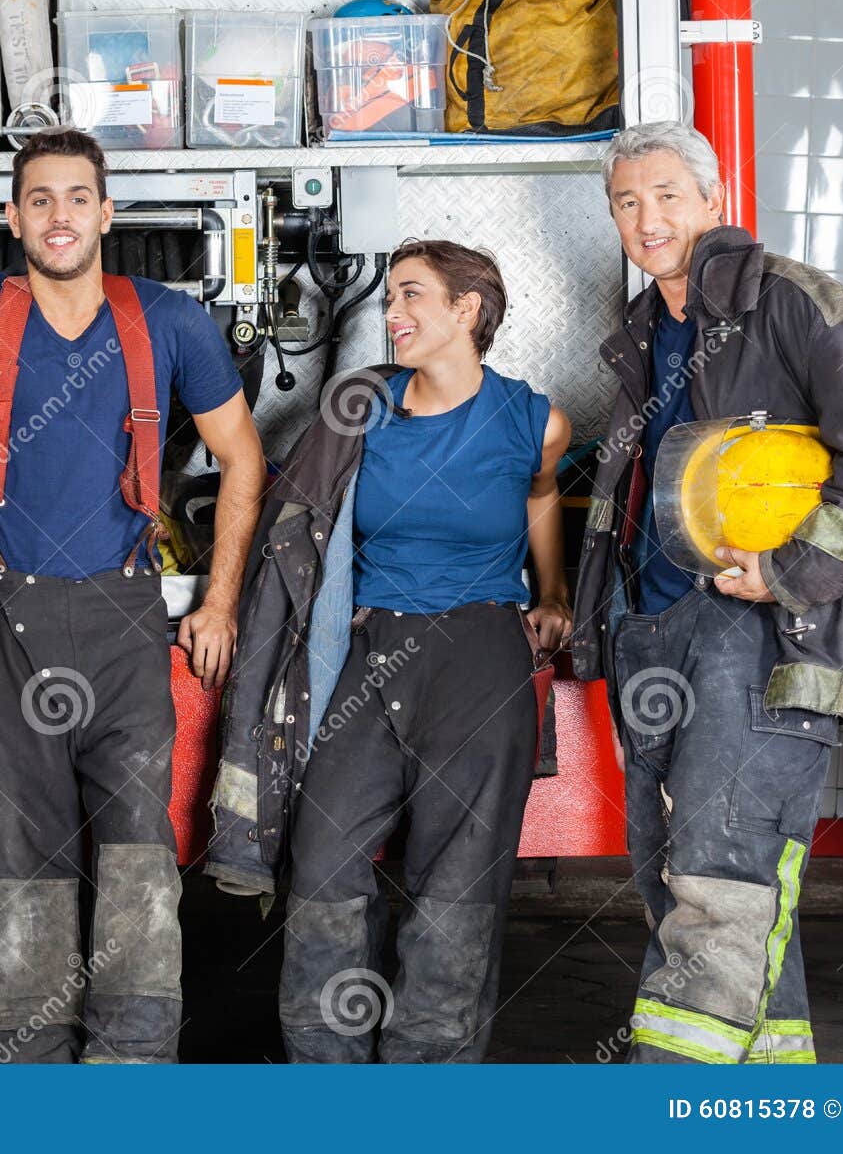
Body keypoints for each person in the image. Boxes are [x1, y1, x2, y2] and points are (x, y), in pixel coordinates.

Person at [0, 126, 265, 1063]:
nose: (60, 216)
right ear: (14, 216)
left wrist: (218, 603)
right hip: (4, 608)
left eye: (78, 197)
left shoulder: (168, 320)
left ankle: (132, 1061)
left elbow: (245, 456)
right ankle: (23, 1070)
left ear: (107, 211)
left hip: (123, 612)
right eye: (41, 199)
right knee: (16, 855)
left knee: (139, 854)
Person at [572, 121, 843, 1064]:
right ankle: (772, 1093)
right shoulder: (643, 332)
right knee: (677, 872)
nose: (647, 219)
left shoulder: (791, 301)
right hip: (655, 626)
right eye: (626, 201)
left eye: (666, 196)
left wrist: (791, 571)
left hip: (764, 632)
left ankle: (670, 1094)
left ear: (714, 201)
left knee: (722, 874)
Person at [204, 239, 571, 1062]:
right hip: (371, 652)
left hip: (481, 657)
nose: (393, 317)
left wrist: (552, 592)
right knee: (324, 865)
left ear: (466, 311)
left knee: (457, 891)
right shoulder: (360, 407)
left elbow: (542, 492)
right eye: (391, 301)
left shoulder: (534, 420)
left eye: (411, 298)